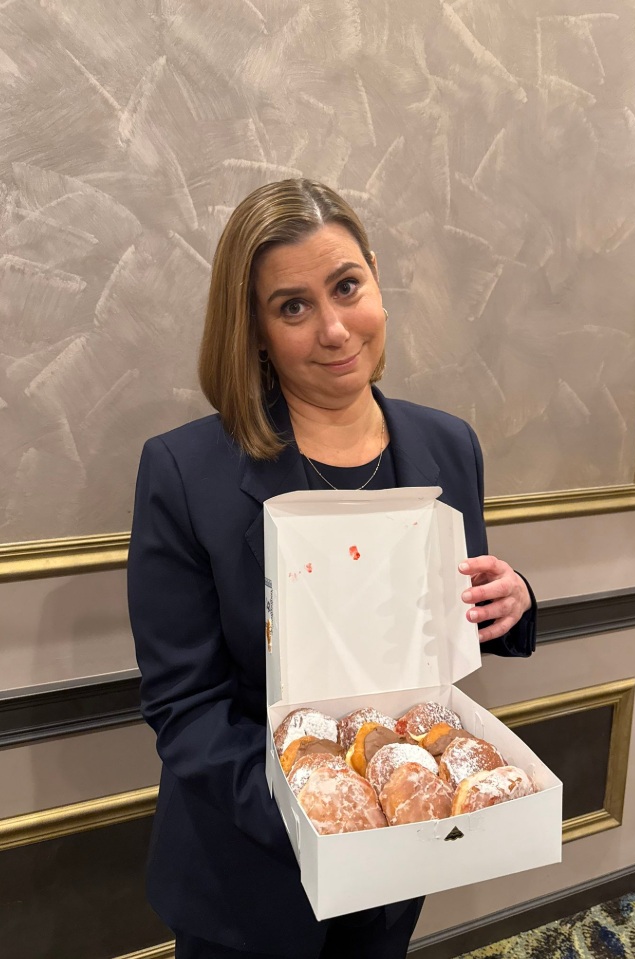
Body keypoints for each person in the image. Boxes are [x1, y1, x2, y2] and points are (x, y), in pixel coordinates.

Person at [127, 179, 537, 959]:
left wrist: (512, 600)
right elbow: (185, 707)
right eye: (293, 307)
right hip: (245, 877)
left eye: (347, 286)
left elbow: (447, 640)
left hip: (396, 865)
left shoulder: (449, 444)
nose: (335, 328)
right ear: (255, 330)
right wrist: (325, 810)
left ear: (377, 277)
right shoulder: (184, 471)